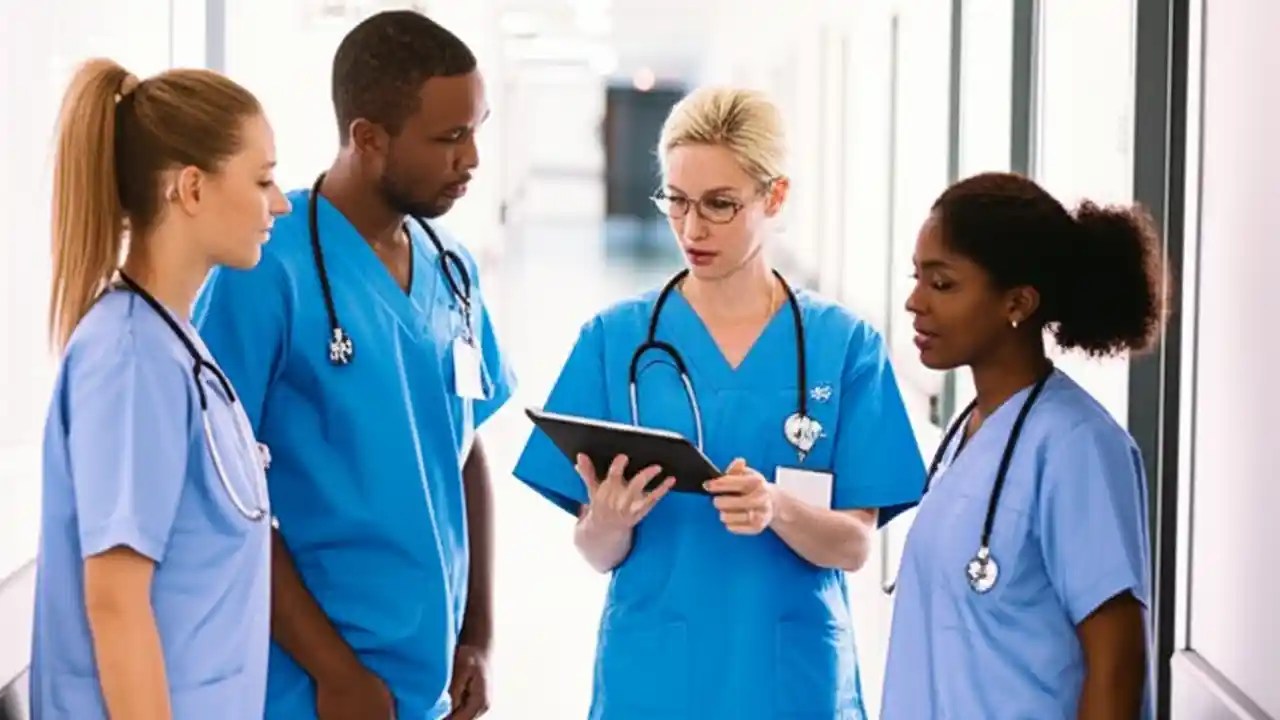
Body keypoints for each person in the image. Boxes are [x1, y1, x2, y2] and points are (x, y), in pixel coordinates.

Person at [512, 86, 926, 719]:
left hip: (791, 678)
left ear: (775, 196)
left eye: (720, 205)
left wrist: (779, 508)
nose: (691, 228)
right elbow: (595, 552)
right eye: (676, 202)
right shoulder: (615, 339)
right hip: (654, 676)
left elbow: (854, 546)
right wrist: (610, 521)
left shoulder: (843, 345)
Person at [192, 10, 514, 720]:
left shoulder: (452, 269)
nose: (472, 160)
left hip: (424, 687)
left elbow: (462, 450)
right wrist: (335, 672)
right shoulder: (263, 266)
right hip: (306, 688)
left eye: (476, 129)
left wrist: (478, 638)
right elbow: (219, 491)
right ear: (368, 138)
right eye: (449, 137)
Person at [29, 58, 289, 719]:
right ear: (192, 189)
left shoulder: (172, 344)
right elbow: (115, 600)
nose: (280, 203)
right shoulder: (129, 360)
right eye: (262, 180)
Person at [881, 171, 1165, 719]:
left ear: (1017, 302)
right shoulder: (971, 430)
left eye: (942, 284)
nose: (915, 302)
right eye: (917, 278)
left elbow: (1117, 660)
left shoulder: (1077, 446)